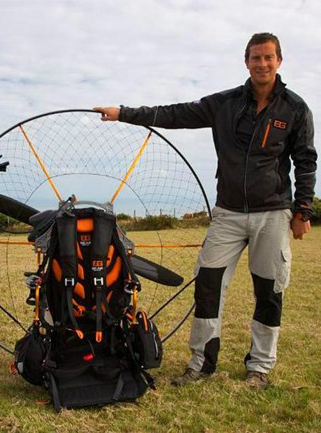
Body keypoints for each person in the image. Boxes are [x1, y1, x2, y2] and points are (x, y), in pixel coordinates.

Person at [94, 32, 316, 390]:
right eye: (256, 58)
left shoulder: (294, 108)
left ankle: (259, 366)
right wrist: (123, 114)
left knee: (269, 291)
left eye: (269, 58)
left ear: (279, 61)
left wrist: (303, 210)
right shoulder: (224, 104)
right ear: (246, 62)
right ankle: (201, 364)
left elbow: (305, 161)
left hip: (272, 214)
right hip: (227, 214)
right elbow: (174, 114)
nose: (262, 64)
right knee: (207, 286)